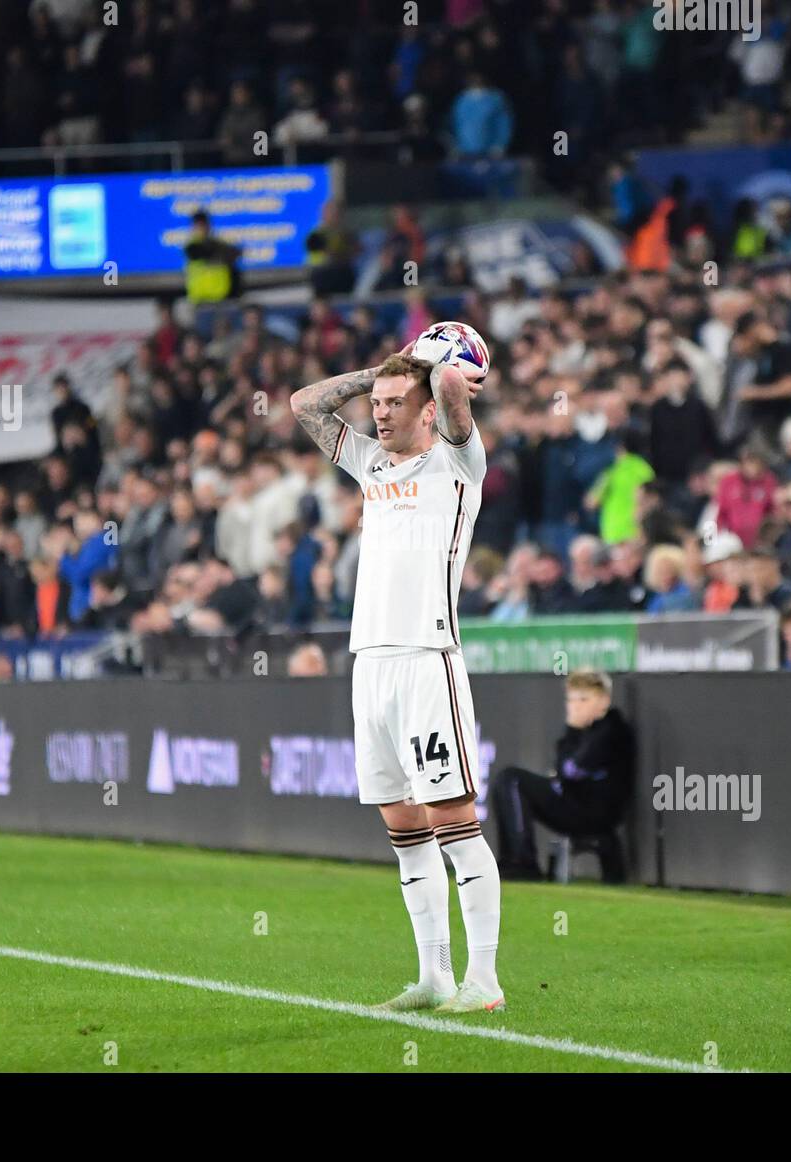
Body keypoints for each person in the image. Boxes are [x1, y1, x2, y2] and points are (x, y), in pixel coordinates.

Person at [290, 344, 504, 1014]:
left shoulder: (457, 462)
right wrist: (380, 374)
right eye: (375, 405)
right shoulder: (370, 462)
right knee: (404, 827)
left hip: (426, 657)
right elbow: (303, 405)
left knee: (453, 822)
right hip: (370, 663)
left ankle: (485, 981)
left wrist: (434, 369)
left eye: (392, 404)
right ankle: (433, 977)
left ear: (426, 410)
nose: (378, 415)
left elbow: (453, 392)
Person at [492, 670, 633, 884]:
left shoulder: (611, 728)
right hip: (575, 803)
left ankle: (523, 864)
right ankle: (511, 860)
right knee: (506, 779)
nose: (576, 706)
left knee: (513, 779)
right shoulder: (583, 732)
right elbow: (563, 766)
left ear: (604, 701)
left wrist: (573, 729)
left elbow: (571, 770)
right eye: (571, 700)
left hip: (593, 812)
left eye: (584, 699)